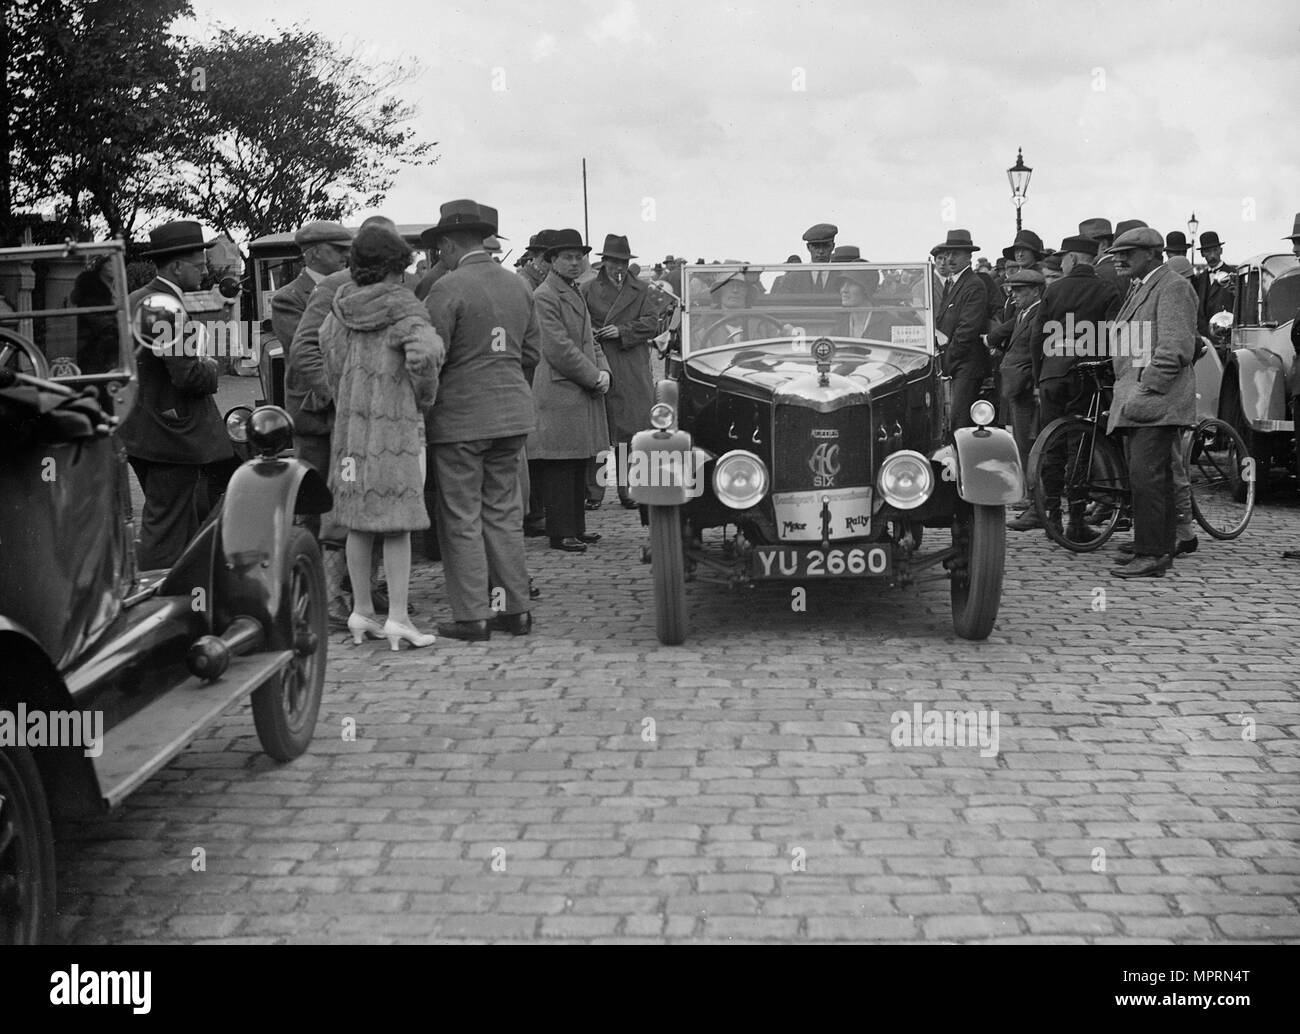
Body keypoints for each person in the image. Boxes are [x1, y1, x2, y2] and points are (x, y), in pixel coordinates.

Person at [319, 225, 444, 648]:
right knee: (398, 525)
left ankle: (360, 613)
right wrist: (422, 397)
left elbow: (329, 358)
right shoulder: (404, 308)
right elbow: (425, 354)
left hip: (351, 433)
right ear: (397, 267)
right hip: (395, 431)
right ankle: (399, 618)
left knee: (357, 522)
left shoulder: (341, 308)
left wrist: (346, 395)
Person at [422, 200, 539, 642]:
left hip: (460, 422)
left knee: (461, 516)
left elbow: (432, 357)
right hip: (511, 416)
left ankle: (472, 616)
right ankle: (515, 610)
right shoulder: (518, 286)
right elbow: (531, 353)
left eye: (441, 249)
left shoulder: (447, 289)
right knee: (505, 513)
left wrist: (428, 404)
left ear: (449, 244)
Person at [286, 216, 395, 623]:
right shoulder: (333, 286)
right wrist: (340, 395)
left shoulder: (395, 286)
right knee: (339, 507)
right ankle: (330, 597)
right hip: (345, 421)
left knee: (380, 503)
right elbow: (304, 348)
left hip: (384, 420)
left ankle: (369, 590)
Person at [117, 220, 233, 569]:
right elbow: (187, 376)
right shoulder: (166, 306)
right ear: (176, 266)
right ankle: (148, 606)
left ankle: (190, 599)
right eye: (198, 266)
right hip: (173, 437)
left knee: (180, 522)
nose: (203, 273)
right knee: (165, 529)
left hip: (141, 430)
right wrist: (212, 365)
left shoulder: (137, 298)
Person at [1012, 233, 1121, 536]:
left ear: (1072, 259)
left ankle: (1050, 517)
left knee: (1052, 444)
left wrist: (1039, 375)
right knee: (1080, 445)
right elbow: (1116, 336)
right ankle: (1075, 520)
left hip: (1052, 375)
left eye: (1064, 257)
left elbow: (1037, 337)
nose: (1061, 261)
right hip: (1087, 375)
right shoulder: (1107, 289)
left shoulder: (1055, 290)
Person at [1104, 227, 1198, 578]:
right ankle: (1153, 548)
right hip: (1140, 400)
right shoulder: (1143, 286)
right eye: (1116, 253)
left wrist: (1146, 390)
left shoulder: (1172, 286)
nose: (1118, 258)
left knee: (1150, 479)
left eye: (1127, 252)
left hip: (1155, 402)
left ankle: (1153, 554)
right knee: (1147, 479)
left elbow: (1175, 348)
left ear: (1153, 254)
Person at [530, 228, 611, 552]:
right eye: (568, 257)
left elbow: (589, 339)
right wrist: (594, 376)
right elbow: (558, 348)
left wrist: (604, 370)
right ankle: (561, 531)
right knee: (561, 465)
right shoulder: (545, 296)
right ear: (552, 260)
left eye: (579, 257)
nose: (576, 262)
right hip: (561, 391)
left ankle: (575, 527)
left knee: (577, 462)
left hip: (576, 389)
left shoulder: (571, 290)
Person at [582, 233, 661, 510]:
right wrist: (592, 332)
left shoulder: (641, 289)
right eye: (614, 261)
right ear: (603, 262)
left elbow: (653, 323)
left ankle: (629, 490)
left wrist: (623, 330)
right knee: (599, 429)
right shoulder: (588, 289)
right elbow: (579, 321)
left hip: (631, 364)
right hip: (601, 361)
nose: (619, 267)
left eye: (623, 262)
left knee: (630, 431)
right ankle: (594, 492)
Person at [988, 268, 1044, 512]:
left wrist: (1035, 383)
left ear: (1035, 291)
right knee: (1019, 441)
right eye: (1012, 290)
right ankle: (1028, 492)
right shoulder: (1024, 313)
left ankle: (1032, 496)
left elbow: (1037, 352)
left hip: (1025, 386)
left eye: (1020, 291)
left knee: (1026, 443)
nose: (1014, 295)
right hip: (1015, 386)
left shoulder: (1038, 314)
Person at [931, 229, 990, 431]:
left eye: (956, 254)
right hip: (956, 363)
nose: (950, 258)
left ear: (969, 256)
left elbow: (966, 330)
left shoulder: (973, 285)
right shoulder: (955, 283)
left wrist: (947, 360)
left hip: (965, 364)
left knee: (959, 422)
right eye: (947, 254)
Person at [70, 254, 120, 374]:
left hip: (113, 347)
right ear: (101, 266)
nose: (115, 267)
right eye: (110, 263)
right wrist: (121, 330)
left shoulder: (116, 286)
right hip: (95, 348)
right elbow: (100, 321)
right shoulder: (91, 290)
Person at [772, 223, 838, 294]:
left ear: (833, 246)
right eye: (816, 246)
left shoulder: (842, 277)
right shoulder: (792, 279)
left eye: (825, 246)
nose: (820, 251)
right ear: (808, 247)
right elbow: (781, 303)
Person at [1192, 230, 1236, 337]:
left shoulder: (1233, 275)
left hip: (1225, 336)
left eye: (1215, 250)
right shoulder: (1199, 279)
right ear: (1202, 254)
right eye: (1207, 251)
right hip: (1205, 338)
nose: (1212, 255)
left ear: (1221, 251)